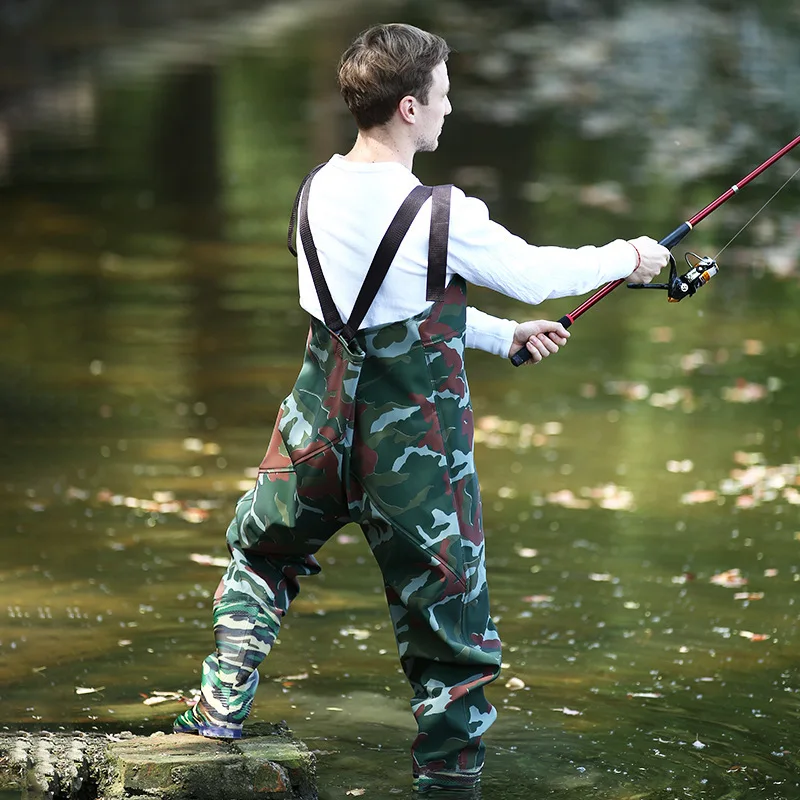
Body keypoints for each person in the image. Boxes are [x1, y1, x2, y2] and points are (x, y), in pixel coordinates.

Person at [174, 22, 670, 794]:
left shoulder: (317, 188)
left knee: (261, 557)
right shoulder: (440, 211)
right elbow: (535, 272)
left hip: (313, 430)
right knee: (453, 639)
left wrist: (502, 337)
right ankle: (447, 785)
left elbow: (380, 309)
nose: (450, 105)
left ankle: (214, 717)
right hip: (413, 454)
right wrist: (630, 259)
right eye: (442, 92)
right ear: (409, 106)